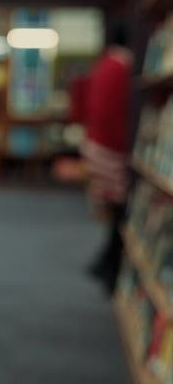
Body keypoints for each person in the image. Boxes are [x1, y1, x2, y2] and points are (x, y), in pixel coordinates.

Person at [83, 23, 132, 294]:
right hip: (111, 148)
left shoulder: (104, 65)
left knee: (116, 208)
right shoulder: (123, 68)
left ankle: (107, 262)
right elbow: (117, 115)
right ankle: (110, 267)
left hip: (96, 144)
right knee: (121, 206)